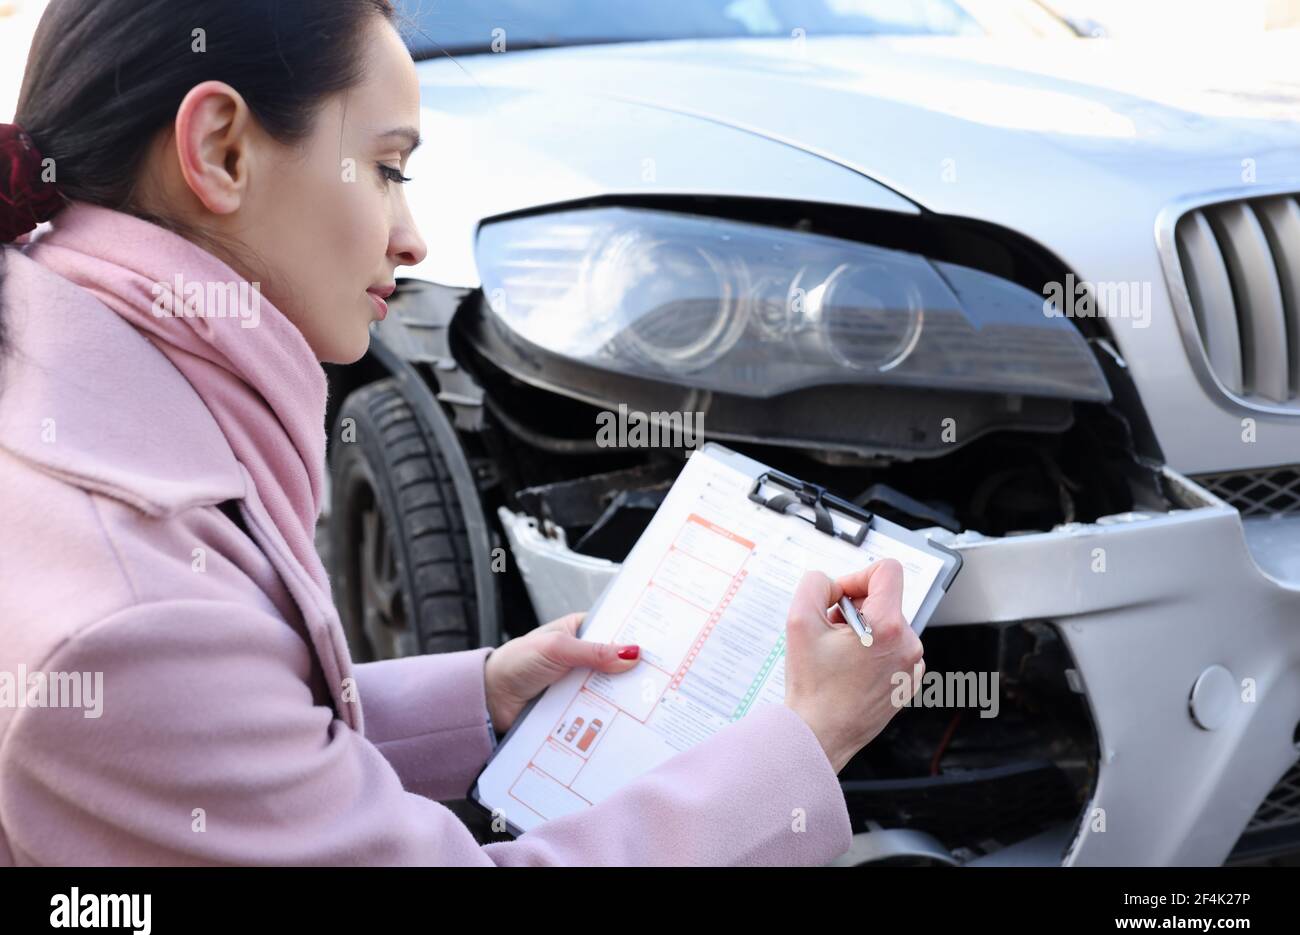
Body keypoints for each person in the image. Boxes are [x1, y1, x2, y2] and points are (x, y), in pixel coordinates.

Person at [0, 0, 925, 866]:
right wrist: (807, 740)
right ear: (222, 150)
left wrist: (488, 692)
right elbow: (178, 693)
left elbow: (234, 740)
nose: (412, 238)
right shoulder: (134, 623)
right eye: (390, 168)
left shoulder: (52, 386)